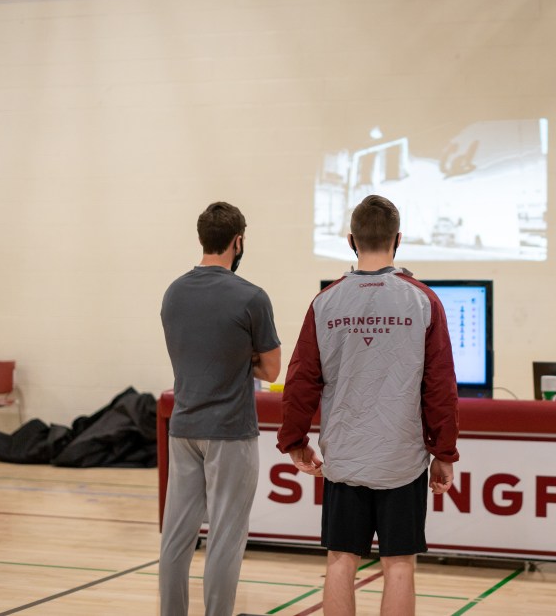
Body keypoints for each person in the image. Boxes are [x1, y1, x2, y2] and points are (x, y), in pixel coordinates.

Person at [277, 194, 459, 616]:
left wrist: (294, 440)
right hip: (402, 459)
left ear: (350, 241)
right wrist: (444, 453)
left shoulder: (325, 302)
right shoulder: (424, 301)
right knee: (399, 565)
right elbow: (440, 388)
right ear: (398, 240)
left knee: (341, 559)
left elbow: (301, 380)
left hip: (345, 458)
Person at [159, 202, 281, 616]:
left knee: (176, 538)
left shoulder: (174, 291)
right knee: (226, 539)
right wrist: (239, 356)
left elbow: (185, 351)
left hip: (183, 426)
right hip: (230, 430)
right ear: (238, 241)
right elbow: (271, 366)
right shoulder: (251, 297)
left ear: (202, 238)